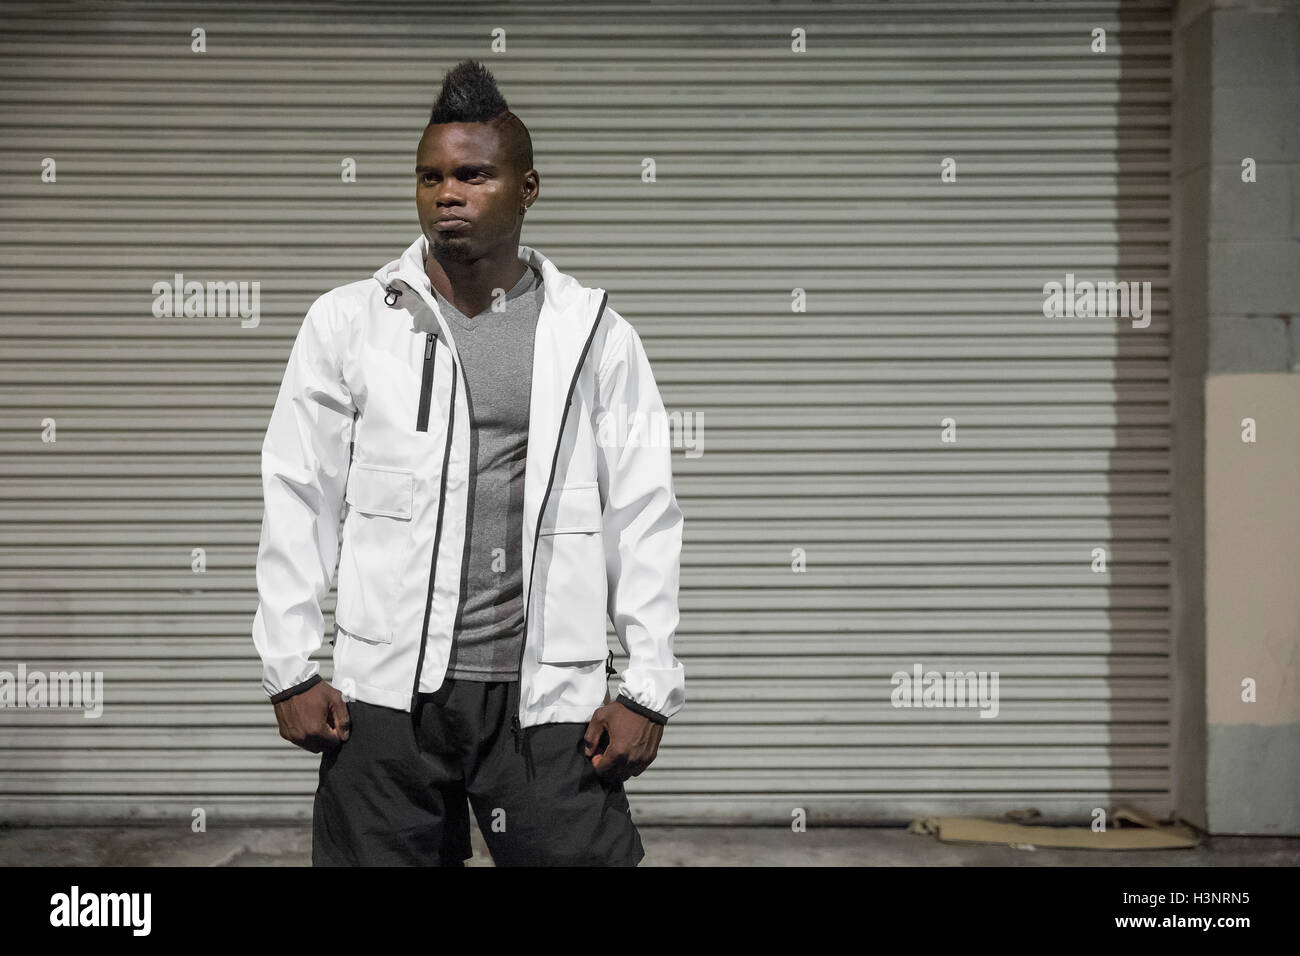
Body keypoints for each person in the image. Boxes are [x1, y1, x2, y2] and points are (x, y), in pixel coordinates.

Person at [250, 59, 685, 866]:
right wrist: (289, 664)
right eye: (430, 176)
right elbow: (299, 490)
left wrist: (648, 685)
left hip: (545, 698)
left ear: (527, 189)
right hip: (385, 694)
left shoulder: (592, 334)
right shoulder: (351, 322)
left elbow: (643, 511)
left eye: (474, 174)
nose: (446, 192)